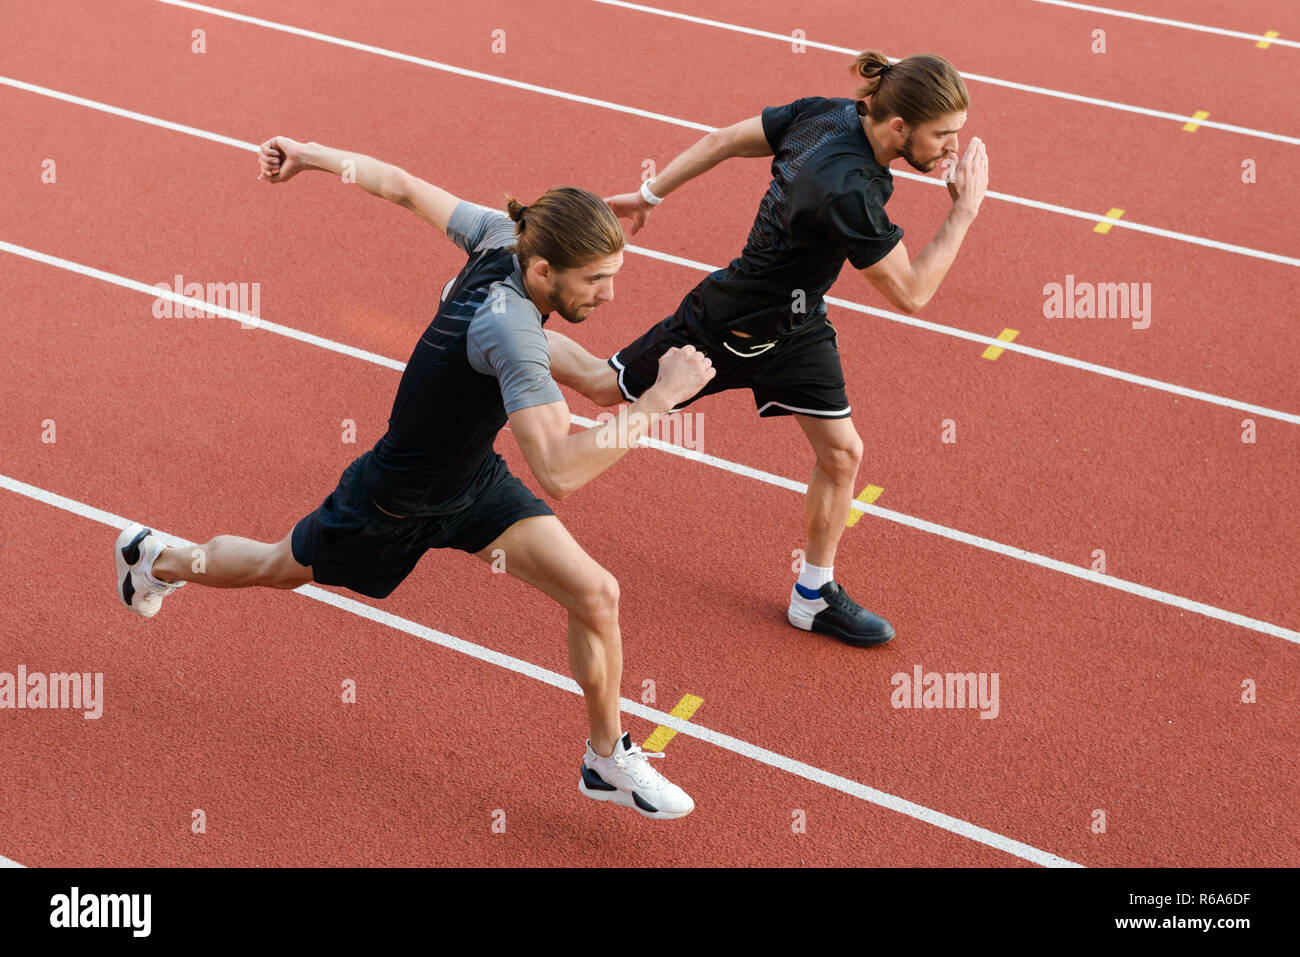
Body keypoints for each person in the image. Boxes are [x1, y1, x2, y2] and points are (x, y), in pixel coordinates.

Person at [112, 135, 715, 820]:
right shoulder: (513, 334)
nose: (610, 293)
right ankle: (157, 557)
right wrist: (659, 402)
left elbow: (398, 182)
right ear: (544, 269)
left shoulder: (498, 235)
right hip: (390, 501)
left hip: (472, 483)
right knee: (276, 566)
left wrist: (307, 154)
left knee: (596, 593)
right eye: (596, 281)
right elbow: (559, 470)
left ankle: (605, 757)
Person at [546, 51, 989, 647]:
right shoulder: (846, 189)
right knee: (604, 386)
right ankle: (498, 323)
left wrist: (651, 193)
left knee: (841, 454)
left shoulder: (827, 113)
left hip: (798, 325)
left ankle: (812, 593)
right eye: (944, 135)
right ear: (899, 128)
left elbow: (724, 140)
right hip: (728, 324)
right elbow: (911, 293)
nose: (952, 148)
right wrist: (963, 211)